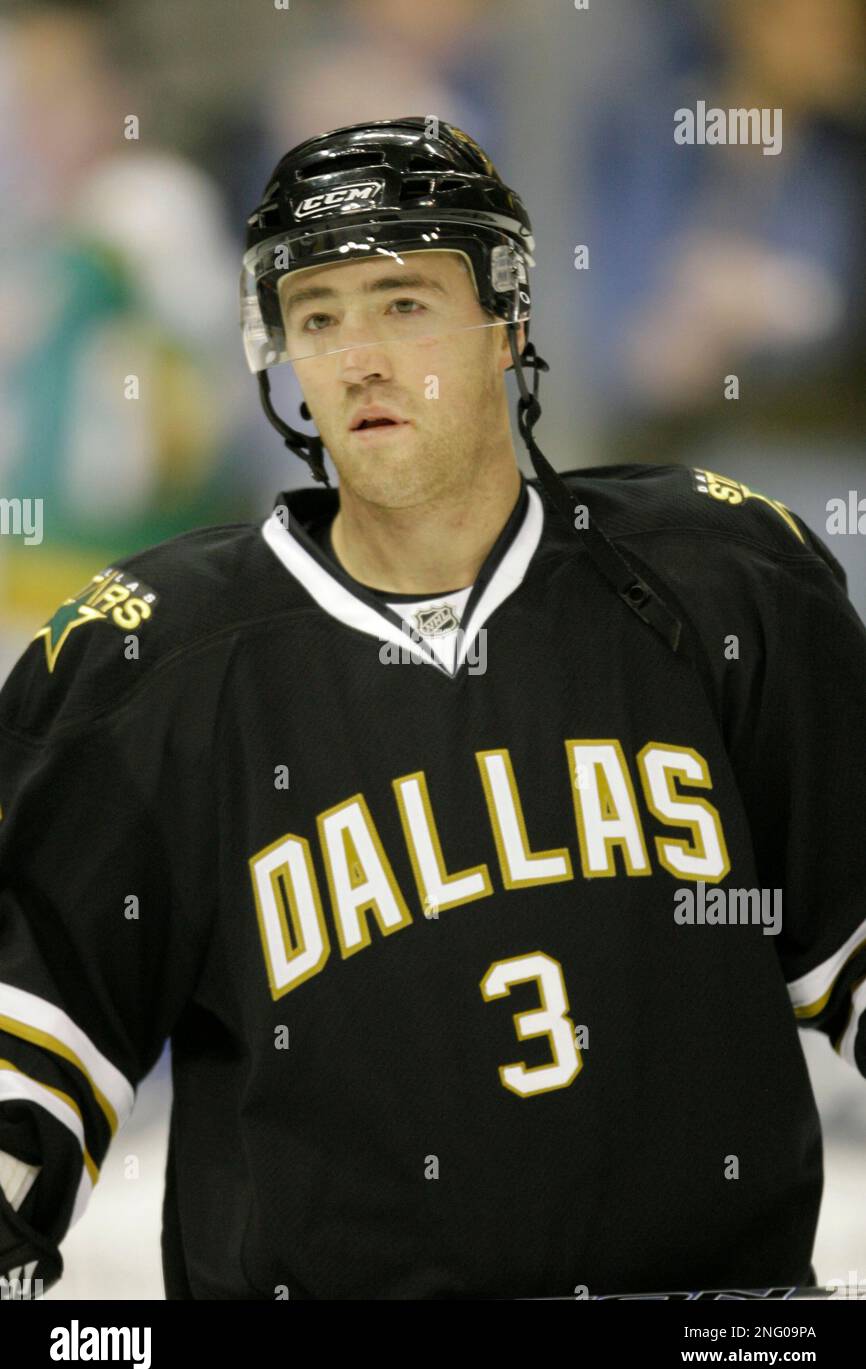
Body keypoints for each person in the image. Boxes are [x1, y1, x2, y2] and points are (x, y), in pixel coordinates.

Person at [1, 117, 864, 1302]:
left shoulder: (720, 581)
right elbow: (25, 1068)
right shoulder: (149, 662)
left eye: (402, 302)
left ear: (509, 321)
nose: (356, 356)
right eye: (317, 316)